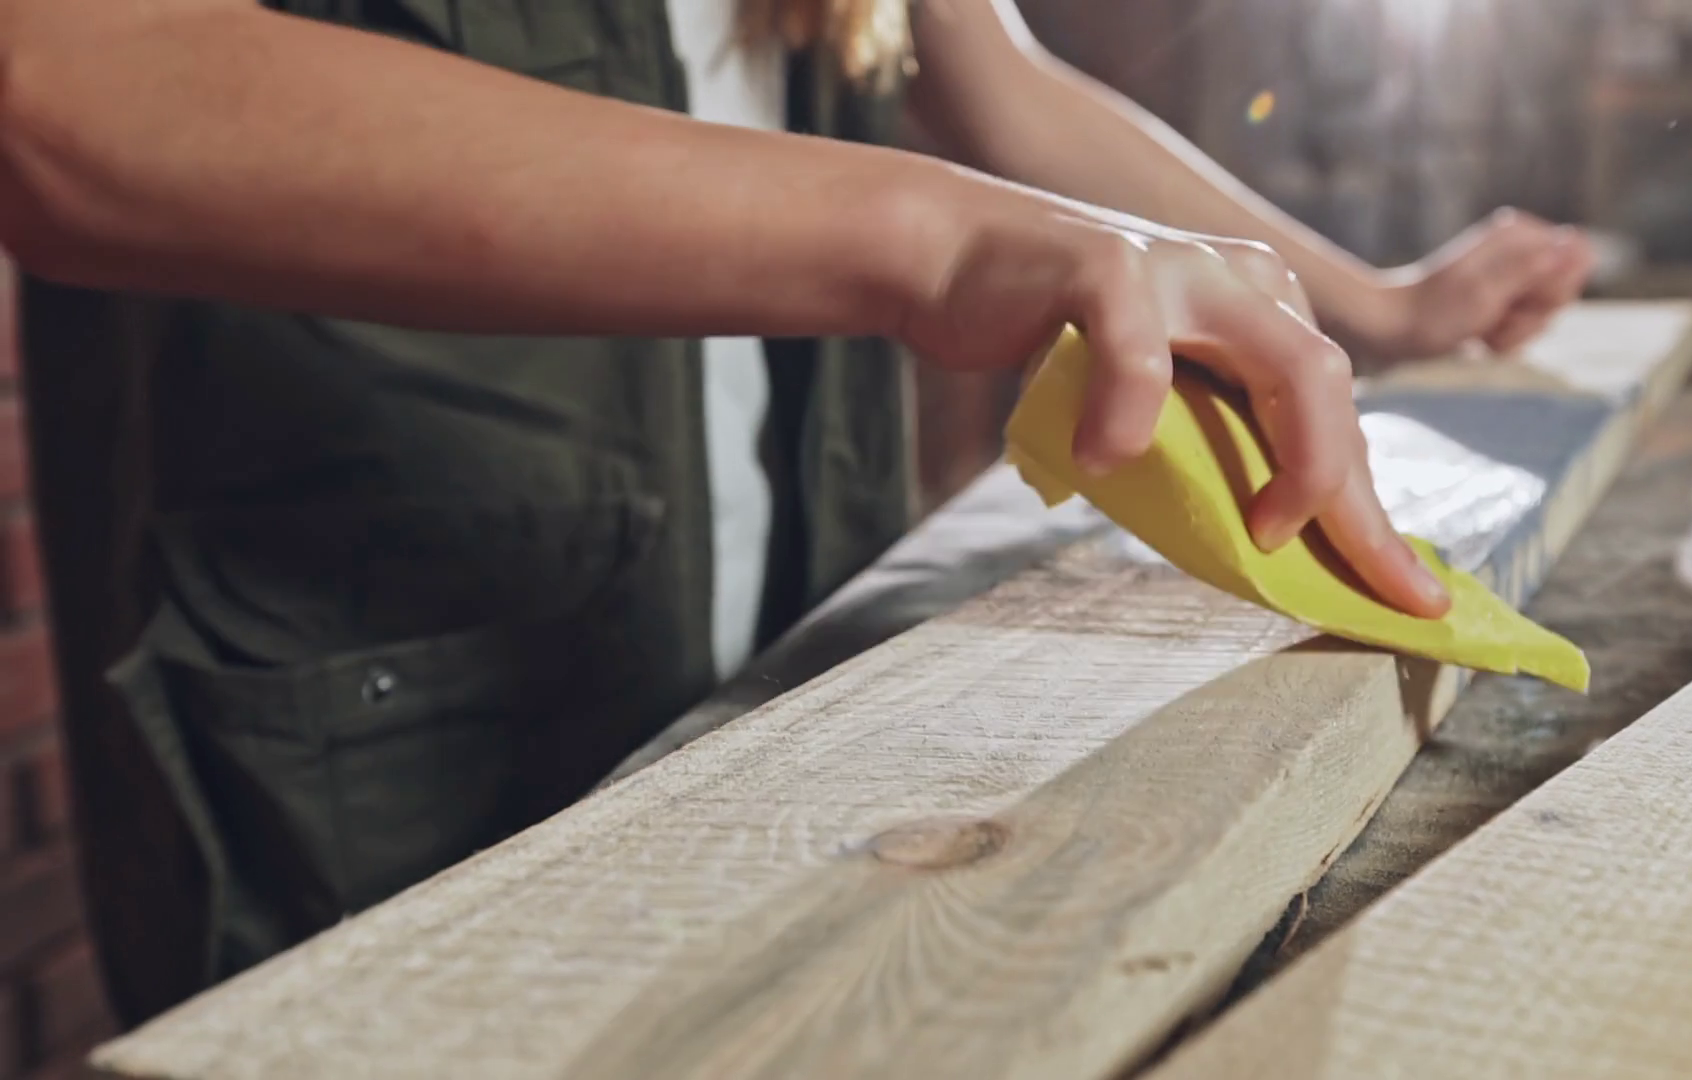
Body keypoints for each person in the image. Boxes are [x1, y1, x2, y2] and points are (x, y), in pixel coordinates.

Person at [0, 0, 1592, 1020]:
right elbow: (70, 75)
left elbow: (1000, 80)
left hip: (778, 634)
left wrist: (1372, 307)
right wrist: (944, 244)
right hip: (377, 698)